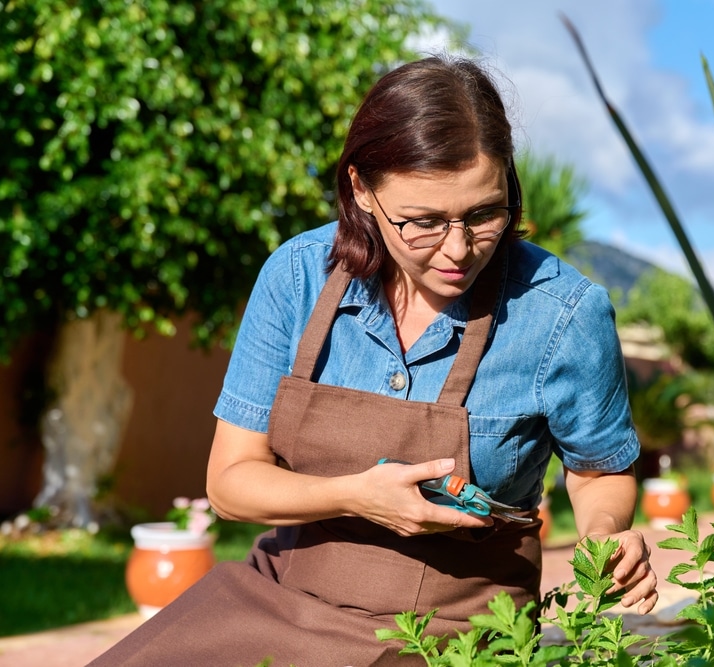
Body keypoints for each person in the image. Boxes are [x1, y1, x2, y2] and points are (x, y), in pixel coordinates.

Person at [89, 55, 657, 667]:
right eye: (423, 222)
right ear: (361, 189)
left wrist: (604, 538)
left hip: (455, 637)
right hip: (280, 604)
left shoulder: (564, 314)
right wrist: (358, 496)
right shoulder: (298, 277)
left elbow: (599, 473)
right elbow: (231, 484)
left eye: (485, 214)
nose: (459, 249)